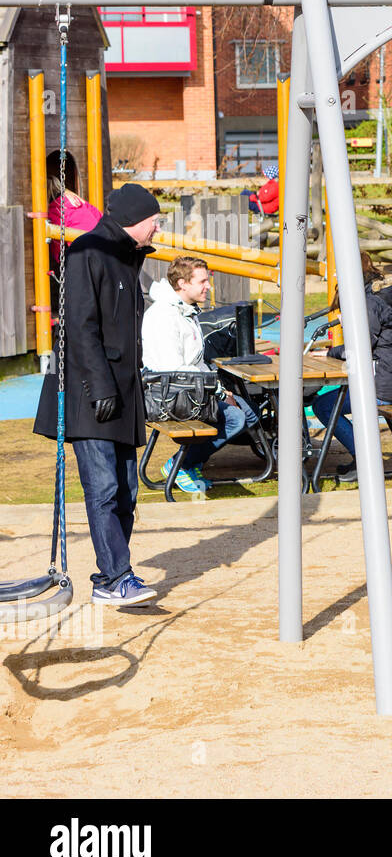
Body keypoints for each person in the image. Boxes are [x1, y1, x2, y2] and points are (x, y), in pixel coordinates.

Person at [34, 183, 162, 607]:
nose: (158, 231)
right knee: (104, 487)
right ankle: (116, 576)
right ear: (137, 219)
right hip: (90, 392)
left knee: (127, 488)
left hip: (122, 392)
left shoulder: (127, 258)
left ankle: (111, 575)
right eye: (155, 222)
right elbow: (78, 326)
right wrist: (102, 387)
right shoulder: (88, 252)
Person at [141, 256, 259, 493]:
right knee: (235, 418)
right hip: (165, 395)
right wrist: (216, 391)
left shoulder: (186, 310)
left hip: (185, 388)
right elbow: (172, 368)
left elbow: (195, 362)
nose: (209, 286)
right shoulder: (164, 315)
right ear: (183, 284)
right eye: (203, 281)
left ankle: (192, 462)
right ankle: (181, 464)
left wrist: (220, 389)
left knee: (251, 413)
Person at [310, 253, 392, 482]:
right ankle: (361, 457)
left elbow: (361, 347)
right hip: (382, 380)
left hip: (382, 384)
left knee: (325, 407)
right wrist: (334, 351)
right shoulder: (371, 299)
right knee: (324, 403)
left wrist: (338, 342)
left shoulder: (369, 303)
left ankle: (364, 461)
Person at [27, 151, 103, 303]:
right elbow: (99, 215)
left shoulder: (55, 210)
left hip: (84, 250)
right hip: (102, 244)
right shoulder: (77, 200)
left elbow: (57, 242)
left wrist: (58, 261)